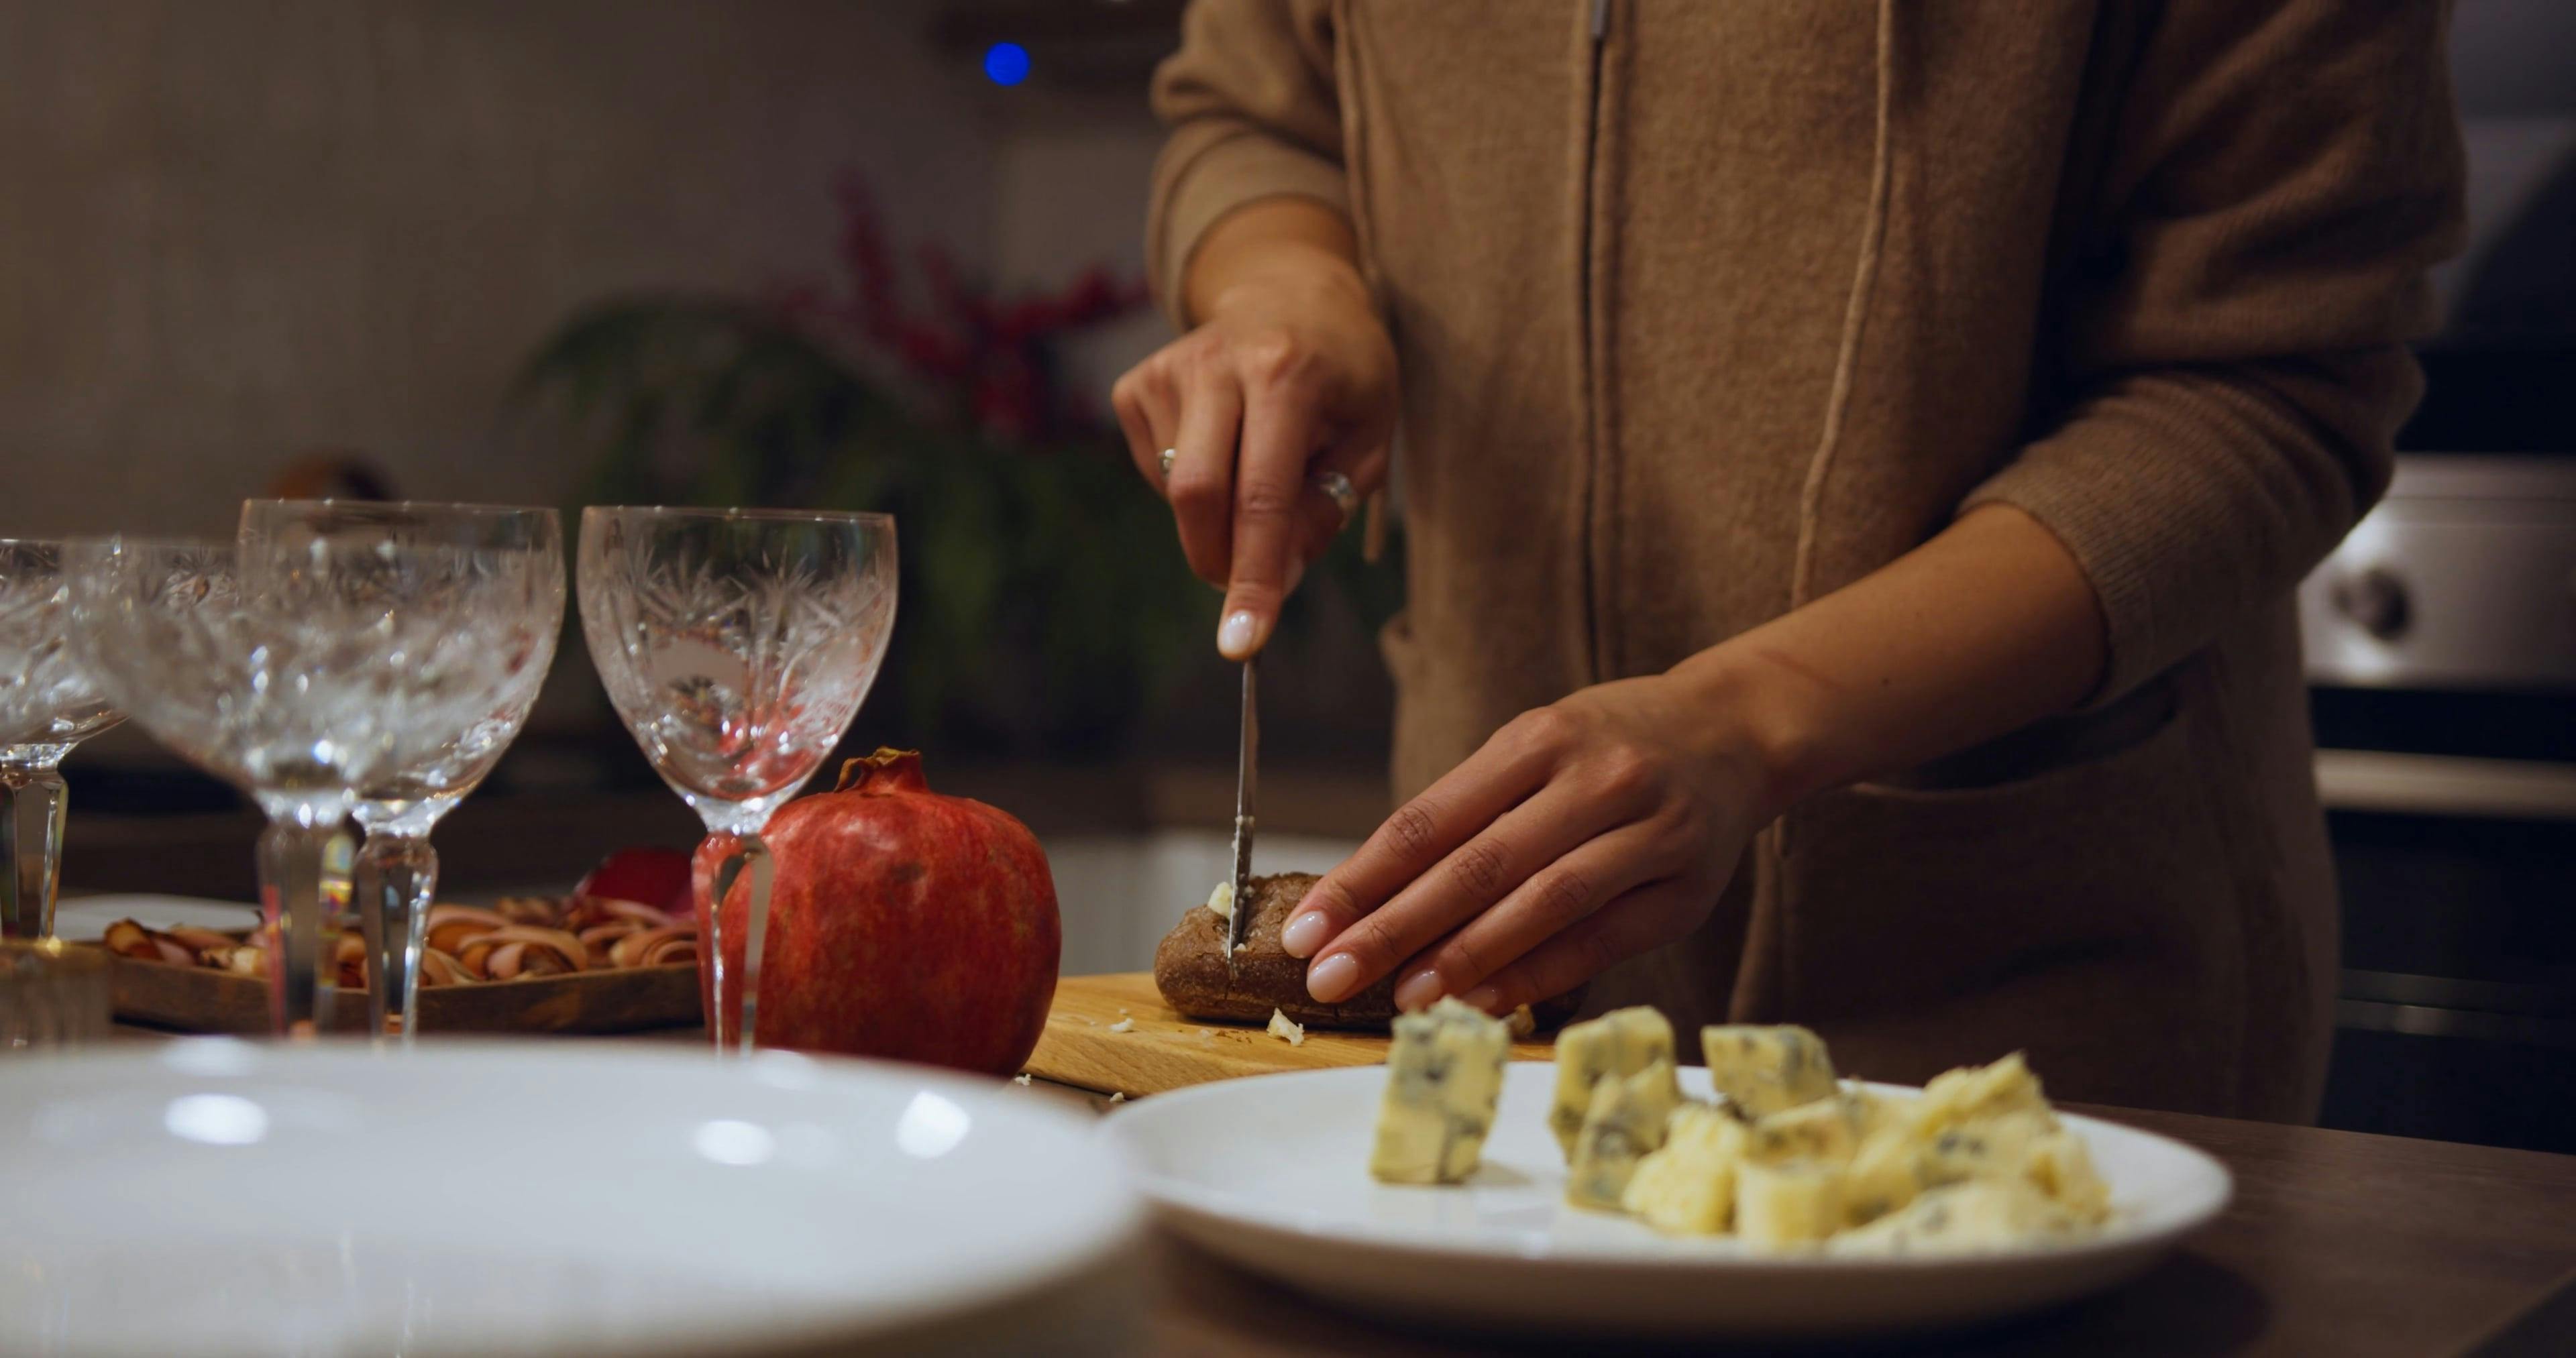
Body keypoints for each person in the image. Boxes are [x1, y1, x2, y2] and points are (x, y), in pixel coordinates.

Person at [1112, 1, 2464, 1119]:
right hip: (1495, 1040)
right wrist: (1288, 284)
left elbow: (2271, 380)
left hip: (2027, 1034)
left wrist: (1749, 722)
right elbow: (1256, 110)